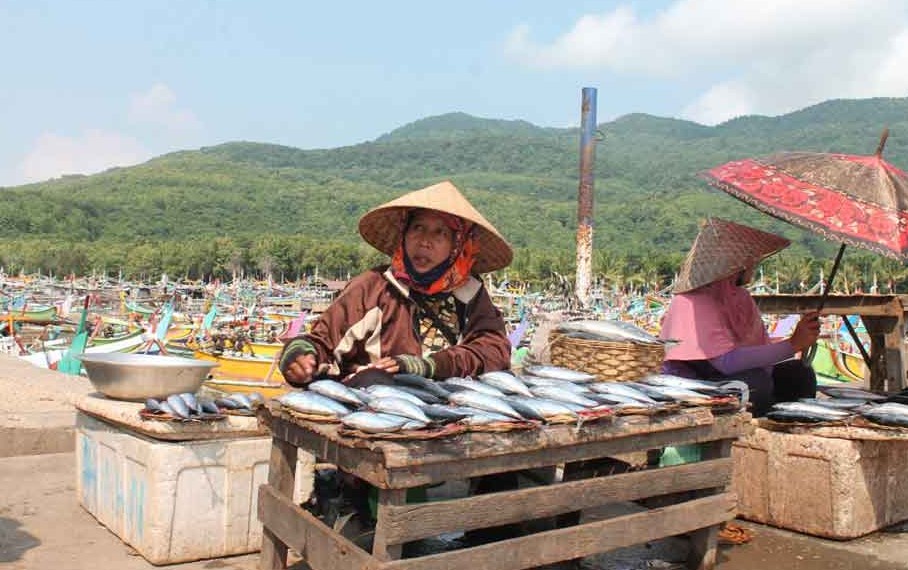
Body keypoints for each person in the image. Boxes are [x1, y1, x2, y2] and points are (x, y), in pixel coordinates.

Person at [279, 179, 512, 386]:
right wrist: (299, 355)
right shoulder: (372, 287)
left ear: (457, 244)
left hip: (453, 407)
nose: (424, 242)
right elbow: (322, 342)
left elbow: (494, 351)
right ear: (404, 234)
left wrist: (431, 366)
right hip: (376, 407)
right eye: (417, 228)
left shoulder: (470, 294)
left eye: (440, 233)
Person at [659, 218, 820, 417]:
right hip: (693, 383)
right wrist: (792, 345)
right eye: (751, 260)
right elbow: (726, 362)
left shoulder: (740, 297)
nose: (754, 264)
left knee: (799, 373)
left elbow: (757, 350)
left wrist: (800, 340)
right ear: (737, 265)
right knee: (756, 384)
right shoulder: (693, 299)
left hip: (732, 377)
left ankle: (789, 422)